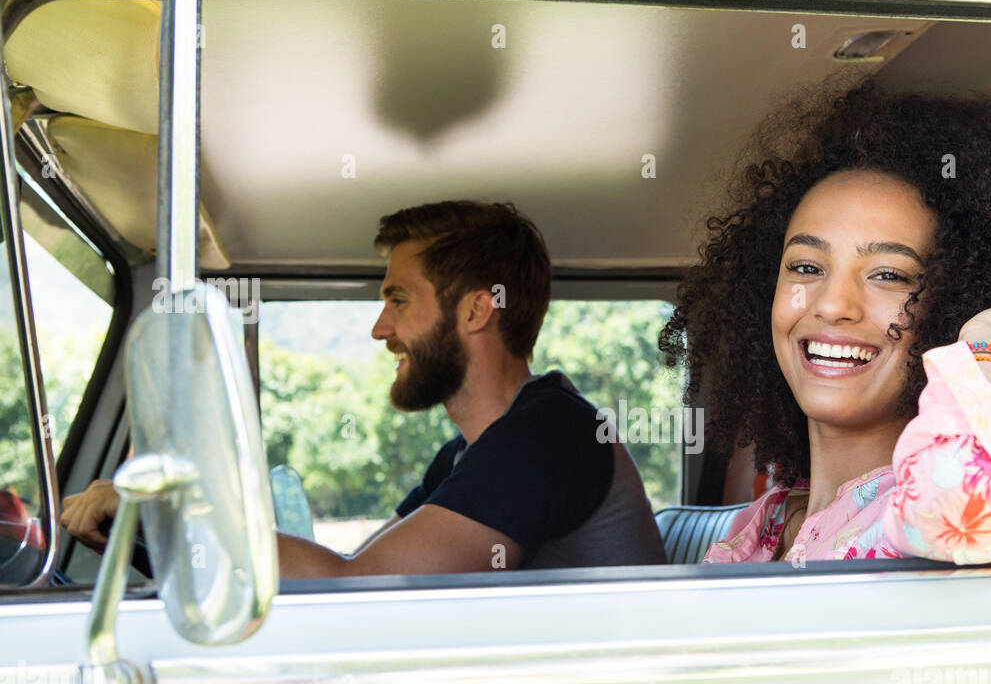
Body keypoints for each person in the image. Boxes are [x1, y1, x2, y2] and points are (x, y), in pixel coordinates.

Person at [64, 200, 667, 576]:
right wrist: (153, 533)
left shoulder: (548, 437)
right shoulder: (465, 458)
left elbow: (355, 583)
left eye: (398, 301)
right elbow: (349, 570)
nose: (381, 329)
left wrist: (179, 512)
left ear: (478, 310)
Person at [659, 77, 991, 564]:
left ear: (957, 303)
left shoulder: (917, 517)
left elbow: (970, 508)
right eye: (806, 266)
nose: (832, 304)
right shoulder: (764, 522)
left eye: (888, 274)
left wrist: (983, 345)